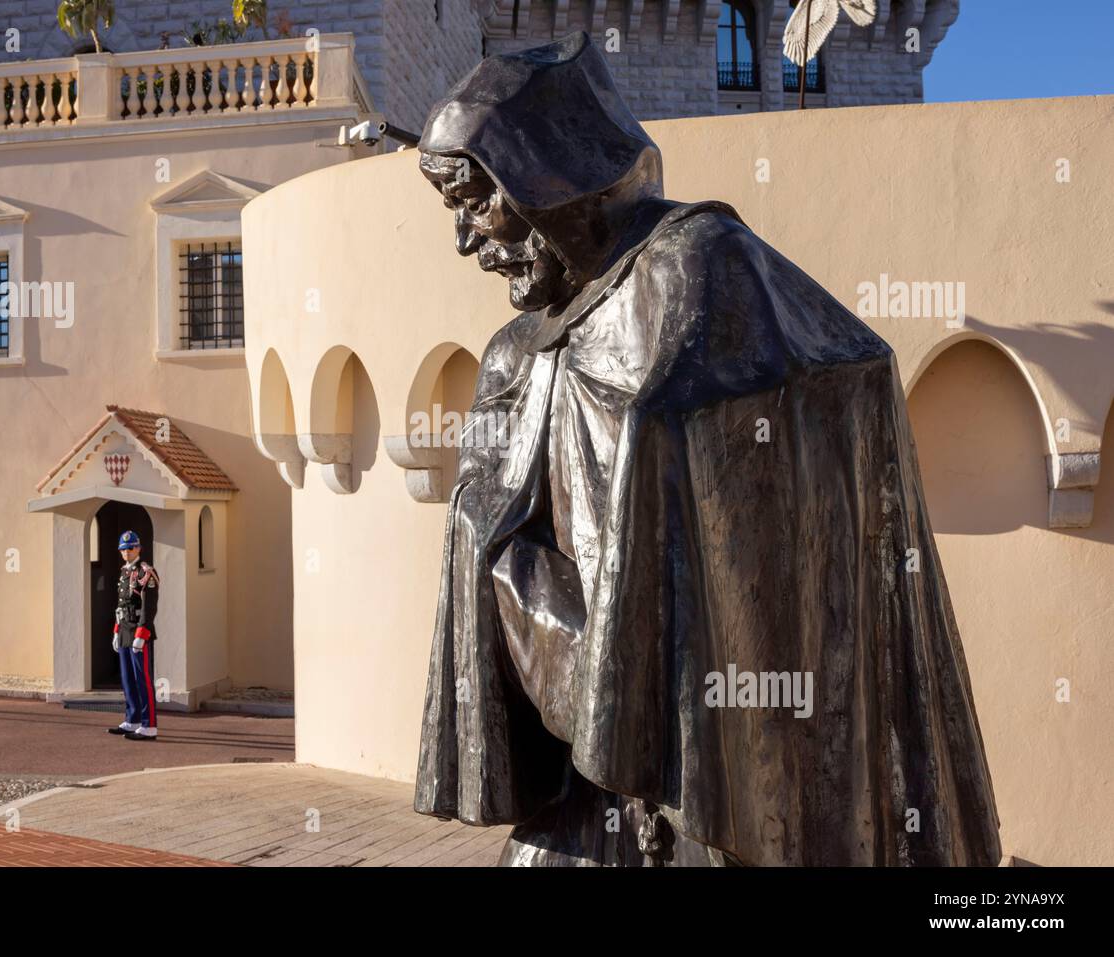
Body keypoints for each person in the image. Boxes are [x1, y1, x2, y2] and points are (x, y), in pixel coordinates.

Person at [412, 33, 1001, 866]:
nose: (471, 241)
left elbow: (837, 379)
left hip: (709, 777)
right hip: (582, 784)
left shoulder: (699, 266)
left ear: (544, 177)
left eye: (479, 201)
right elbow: (484, 510)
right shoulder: (516, 352)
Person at [106, 530, 159, 741]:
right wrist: (116, 631)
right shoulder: (124, 572)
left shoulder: (146, 572)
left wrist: (141, 634)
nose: (126, 552)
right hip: (125, 629)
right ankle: (133, 719)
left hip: (139, 631)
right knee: (127, 679)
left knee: (143, 679)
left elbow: (149, 606)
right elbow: (121, 605)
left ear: (138, 548)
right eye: (123, 549)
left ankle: (149, 725)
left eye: (130, 548)